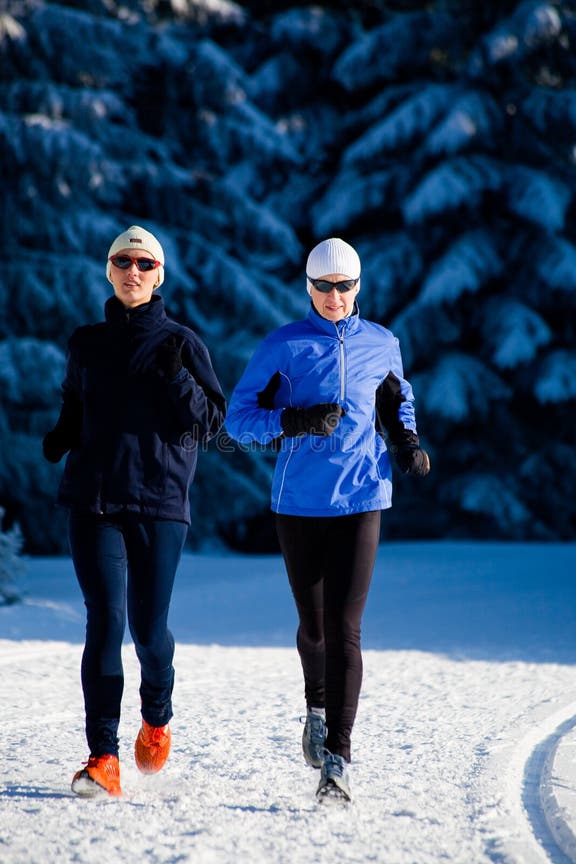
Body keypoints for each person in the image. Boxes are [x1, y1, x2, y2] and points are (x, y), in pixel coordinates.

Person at [225, 237, 429, 801]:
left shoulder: (382, 343)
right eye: (323, 286)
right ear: (308, 287)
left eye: (343, 286)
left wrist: (406, 442)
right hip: (299, 502)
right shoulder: (283, 345)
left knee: (345, 630)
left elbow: (396, 400)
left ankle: (338, 759)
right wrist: (293, 420)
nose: (334, 296)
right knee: (313, 629)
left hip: (362, 496)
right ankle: (315, 708)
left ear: (358, 286)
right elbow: (238, 419)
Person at [42, 225, 226, 797]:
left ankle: (157, 715)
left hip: (159, 503)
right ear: (109, 270)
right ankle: (104, 757)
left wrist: (177, 377)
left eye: (145, 264)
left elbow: (211, 425)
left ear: (159, 275)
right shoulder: (86, 343)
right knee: (105, 621)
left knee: (149, 631)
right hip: (93, 500)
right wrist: (63, 432)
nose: (133, 271)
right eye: (123, 261)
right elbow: (76, 401)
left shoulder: (183, 343)